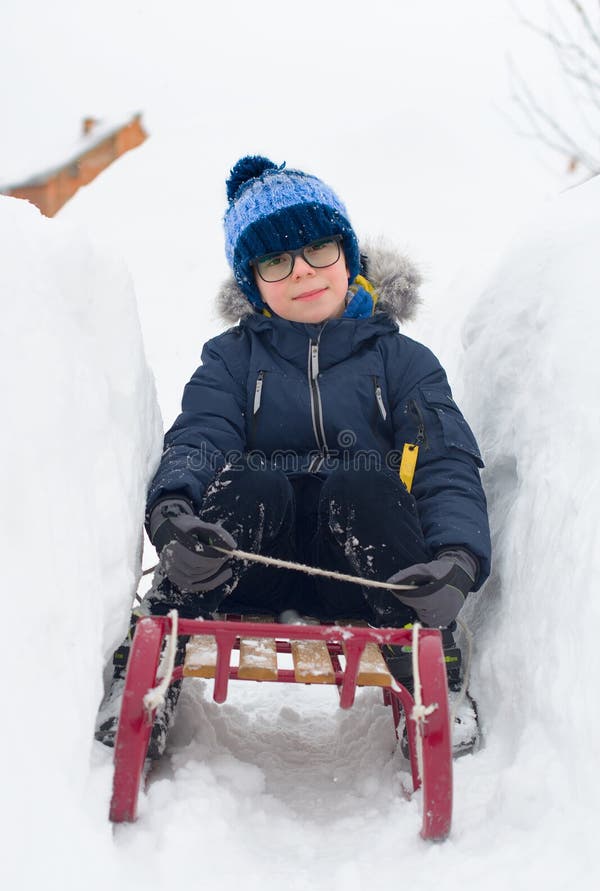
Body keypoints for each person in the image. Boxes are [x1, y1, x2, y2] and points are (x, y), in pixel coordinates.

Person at [95, 155, 491, 758]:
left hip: (363, 570)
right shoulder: (231, 359)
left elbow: (445, 461)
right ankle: (162, 640)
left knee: (366, 484)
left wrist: (457, 560)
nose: (302, 271)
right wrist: (174, 514)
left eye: (317, 250)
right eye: (276, 260)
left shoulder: (403, 361)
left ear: (348, 253)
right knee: (255, 477)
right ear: (253, 280)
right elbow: (201, 437)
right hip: (248, 562)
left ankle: (426, 654)